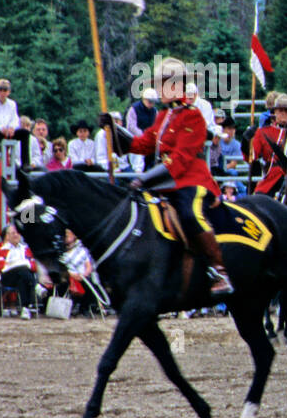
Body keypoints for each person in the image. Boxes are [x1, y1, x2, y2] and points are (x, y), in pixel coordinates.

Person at [99, 55, 234, 296]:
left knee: (189, 215)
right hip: (167, 181)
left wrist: (146, 178)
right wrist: (113, 130)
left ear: (176, 85)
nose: (158, 89)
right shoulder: (163, 117)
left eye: (162, 83)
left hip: (191, 180)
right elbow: (142, 144)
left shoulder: (193, 116)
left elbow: (181, 160)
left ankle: (219, 269)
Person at [250, 94, 287, 195]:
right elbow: (253, 155)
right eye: (280, 111)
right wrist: (249, 140)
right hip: (272, 175)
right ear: (274, 112)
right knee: (259, 198)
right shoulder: (263, 132)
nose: (284, 114)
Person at [0, 224, 38, 317]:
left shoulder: (25, 249)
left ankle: (25, 309)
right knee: (23, 269)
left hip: (22, 276)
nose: (16, 235)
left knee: (22, 279)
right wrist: (22, 263)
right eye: (13, 233)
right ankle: (37, 286)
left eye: (18, 233)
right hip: (7, 278)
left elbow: (34, 266)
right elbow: (1, 268)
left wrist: (14, 263)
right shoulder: (1, 250)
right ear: (8, 236)